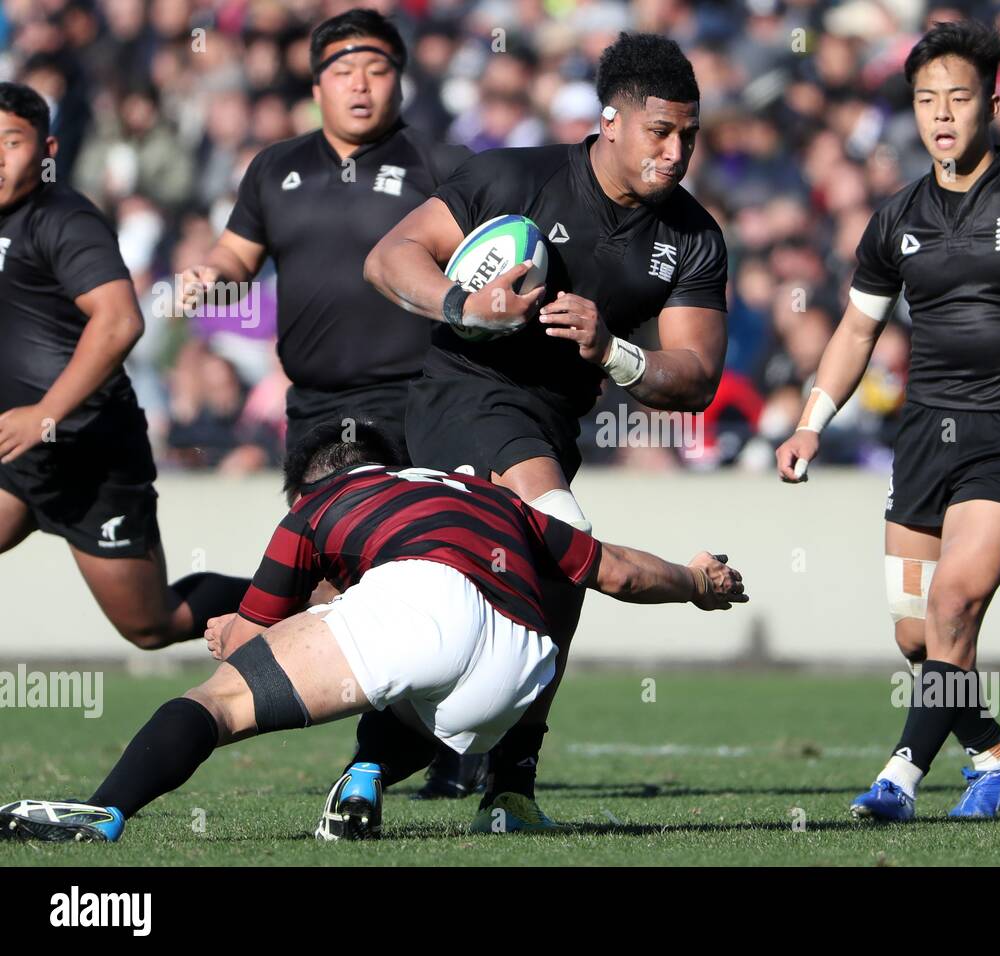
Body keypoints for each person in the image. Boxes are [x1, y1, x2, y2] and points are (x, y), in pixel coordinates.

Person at [0, 422, 745, 844]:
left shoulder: (317, 507)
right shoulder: (491, 496)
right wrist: (696, 583)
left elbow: (255, 635)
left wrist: (232, 631)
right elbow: (613, 570)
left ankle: (103, 812)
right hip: (519, 672)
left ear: (309, 483)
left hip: (424, 601)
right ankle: (365, 779)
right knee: (414, 687)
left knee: (219, 704)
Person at [775, 21, 1000, 821]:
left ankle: (900, 777)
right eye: (926, 100)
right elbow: (856, 330)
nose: (941, 114)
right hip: (923, 437)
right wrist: (811, 421)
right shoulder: (895, 216)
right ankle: (995, 756)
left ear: (993, 105)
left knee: (953, 608)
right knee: (918, 641)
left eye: (959, 98)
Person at [362, 31, 730, 830]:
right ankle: (495, 774)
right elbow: (392, 256)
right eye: (660, 133)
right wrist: (467, 304)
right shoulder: (512, 175)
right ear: (609, 122)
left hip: (553, 427)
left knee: (508, 586)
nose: (676, 153)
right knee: (568, 543)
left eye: (689, 137)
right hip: (463, 392)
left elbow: (696, 376)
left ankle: (428, 769)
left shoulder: (693, 238)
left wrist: (614, 351)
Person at [0, 81, 248, 649]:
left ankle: (306, 595)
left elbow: (119, 321)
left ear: (48, 151)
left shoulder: (64, 220)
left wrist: (43, 414)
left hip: (87, 455)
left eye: (12, 140)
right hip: (14, 458)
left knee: (151, 625)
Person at [178, 9, 469, 461]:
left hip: (418, 399)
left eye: (377, 71)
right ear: (316, 87)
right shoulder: (273, 168)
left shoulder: (442, 165)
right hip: (312, 404)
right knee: (318, 529)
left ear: (399, 81)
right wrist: (209, 278)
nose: (360, 84)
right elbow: (235, 257)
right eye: (343, 71)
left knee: (395, 526)